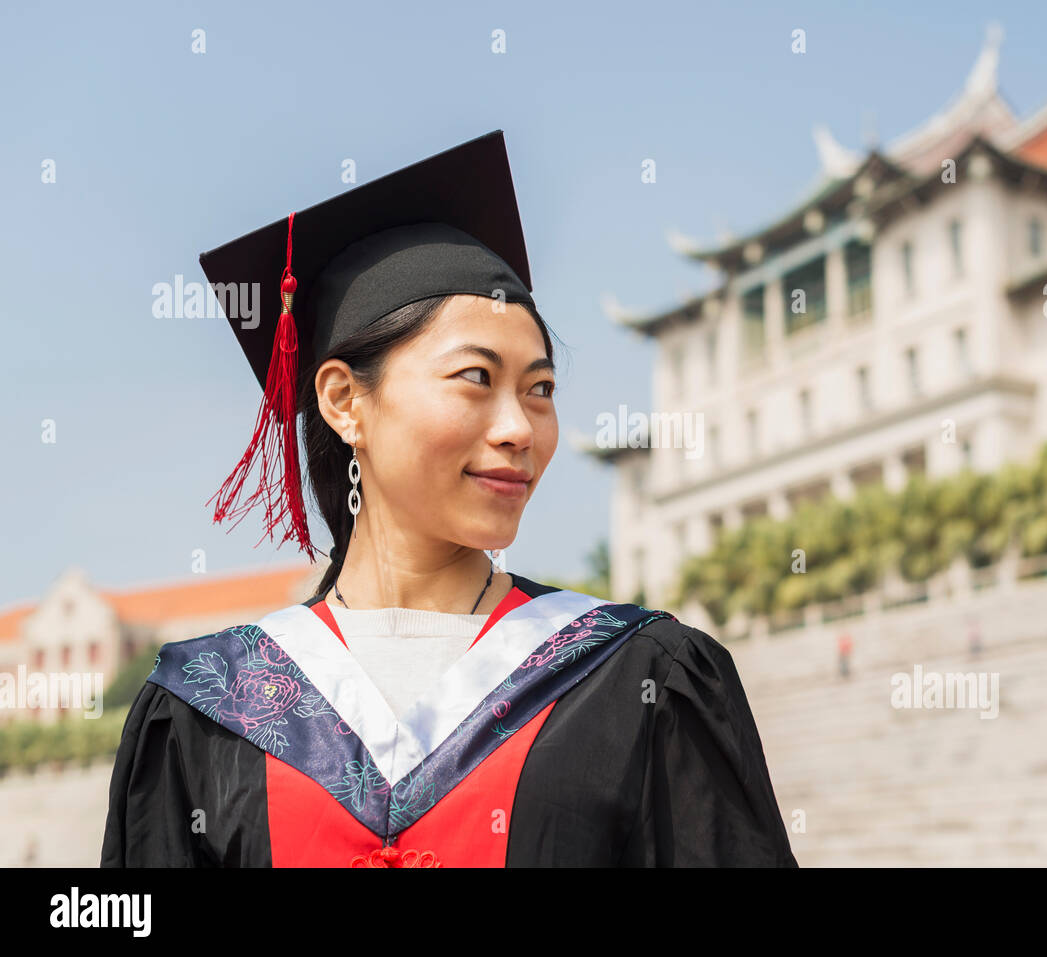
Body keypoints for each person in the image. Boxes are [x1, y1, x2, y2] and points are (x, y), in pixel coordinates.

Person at [100, 130, 797, 868]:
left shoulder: (638, 677)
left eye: (541, 390)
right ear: (343, 400)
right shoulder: (208, 707)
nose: (518, 428)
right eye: (475, 377)